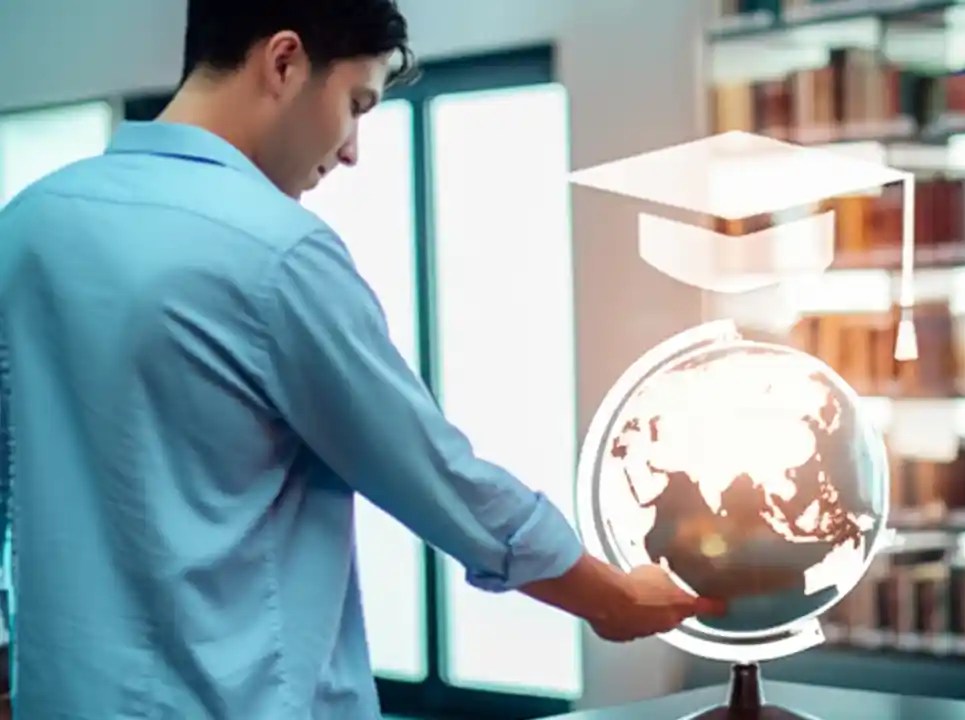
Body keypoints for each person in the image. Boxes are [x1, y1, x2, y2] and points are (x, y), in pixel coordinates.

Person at [0, 1, 724, 717]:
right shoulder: (274, 251)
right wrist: (612, 598)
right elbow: (432, 475)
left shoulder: (28, 226)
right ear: (284, 62)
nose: (350, 148)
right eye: (356, 104)